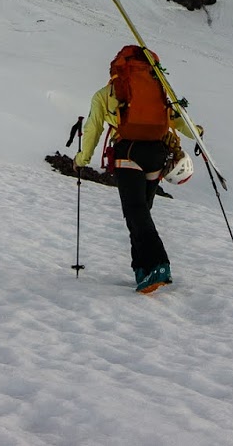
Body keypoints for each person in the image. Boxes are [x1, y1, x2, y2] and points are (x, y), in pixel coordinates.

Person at [74, 44, 198, 294]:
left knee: (136, 212)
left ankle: (159, 265)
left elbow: (93, 129)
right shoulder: (158, 92)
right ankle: (141, 268)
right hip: (157, 154)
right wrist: (196, 131)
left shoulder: (105, 94)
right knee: (141, 213)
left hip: (128, 153)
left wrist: (82, 158)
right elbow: (175, 117)